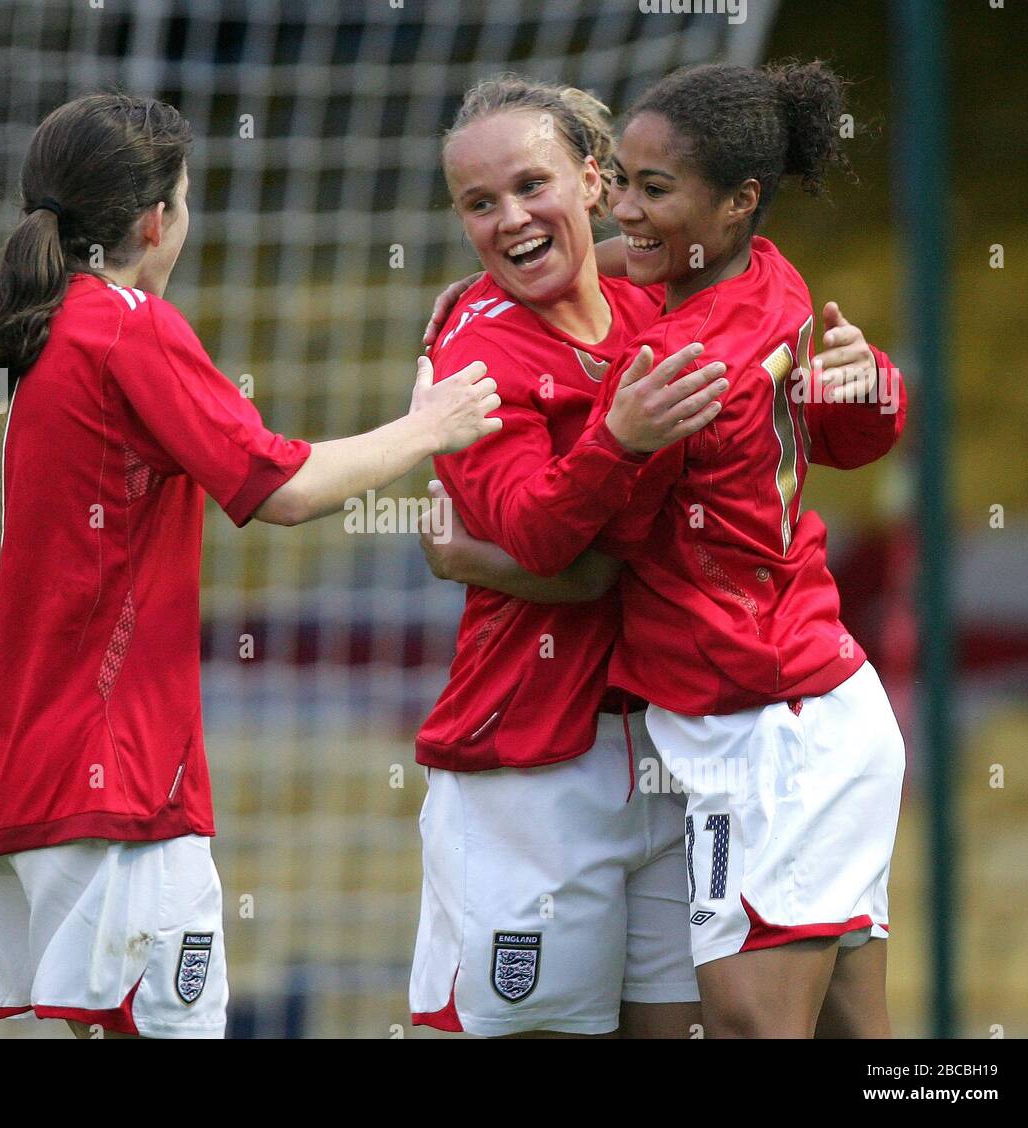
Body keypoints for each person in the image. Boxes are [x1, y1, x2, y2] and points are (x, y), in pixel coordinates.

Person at [0, 92, 501, 1040]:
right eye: (185, 204)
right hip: (120, 787)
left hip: (5, 801)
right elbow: (285, 489)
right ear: (157, 220)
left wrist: (10, 574)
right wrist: (428, 426)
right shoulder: (127, 328)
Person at [424, 62, 907, 1038]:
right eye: (479, 202)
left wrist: (480, 548)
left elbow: (586, 551)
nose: (632, 219)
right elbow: (837, 430)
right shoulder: (760, 276)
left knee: (744, 1024)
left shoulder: (675, 357)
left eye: (653, 191)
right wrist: (877, 388)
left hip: (758, 724)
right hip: (738, 716)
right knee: (851, 1030)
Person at [409, 76, 731, 1039]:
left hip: (676, 752)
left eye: (531, 185)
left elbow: (766, 298)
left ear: (593, 180)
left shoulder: (658, 302)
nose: (512, 219)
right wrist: (619, 440)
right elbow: (546, 544)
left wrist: (861, 381)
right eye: (479, 203)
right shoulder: (470, 359)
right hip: (530, 761)